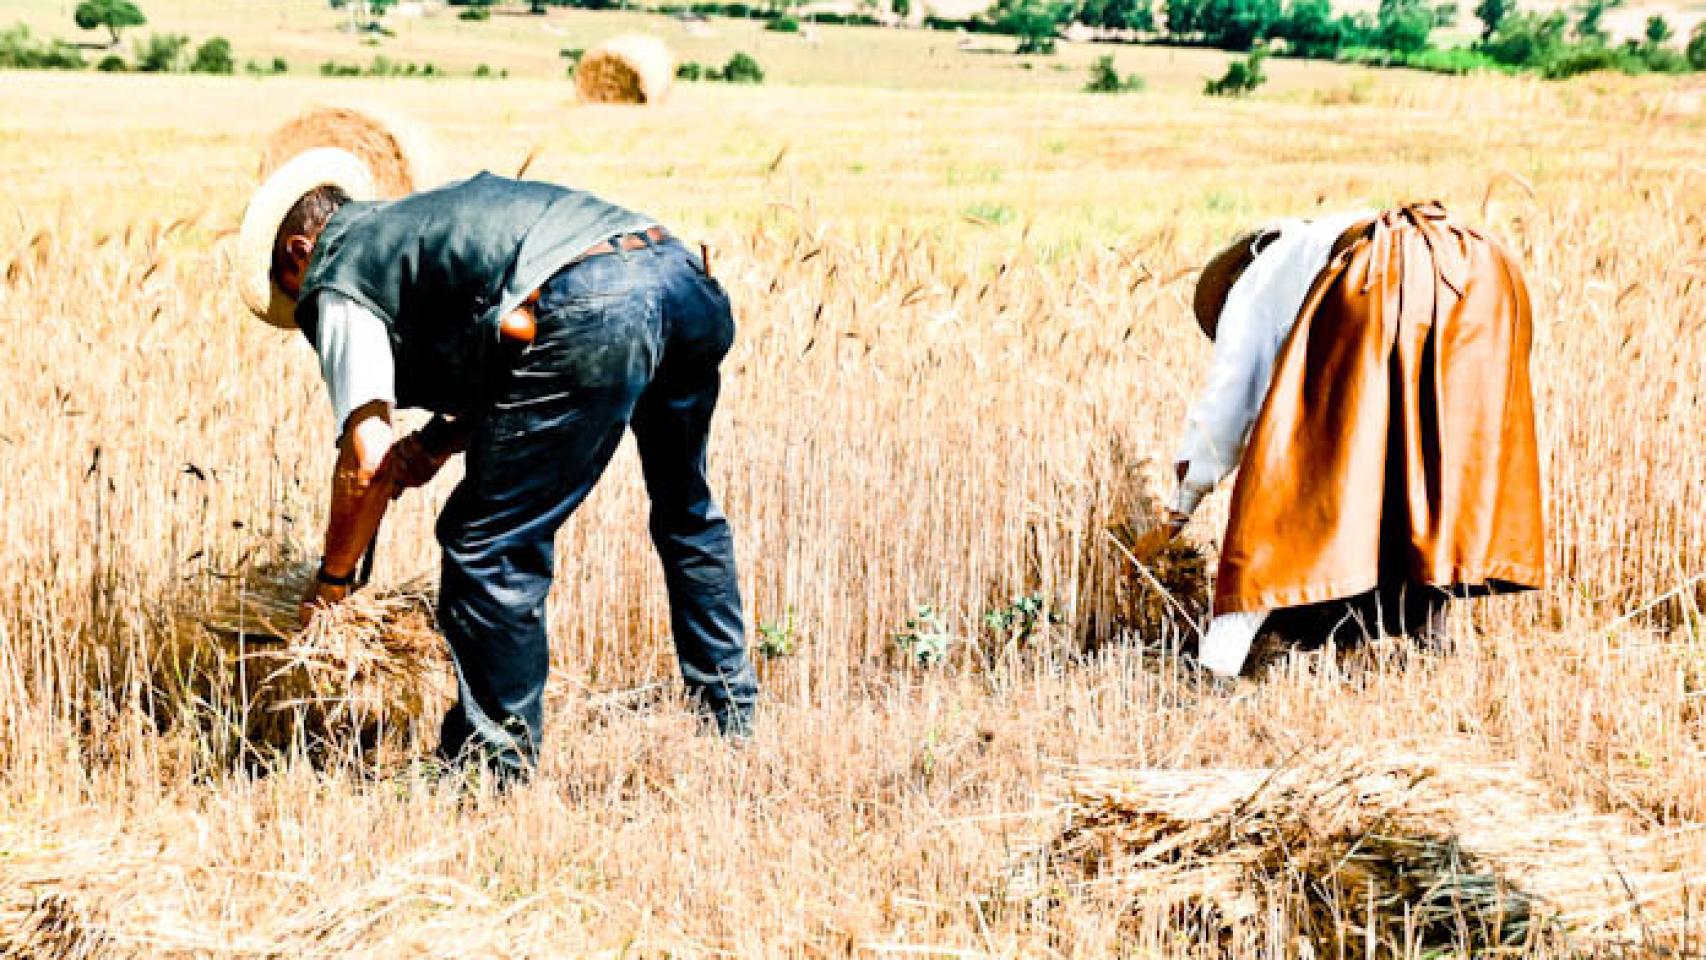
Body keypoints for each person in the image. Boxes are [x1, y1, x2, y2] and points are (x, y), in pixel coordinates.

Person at [236, 148, 759, 776]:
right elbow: (518, 344)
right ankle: (730, 716)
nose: (303, 314)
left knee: (485, 543)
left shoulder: (340, 269)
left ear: (299, 251)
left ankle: (493, 767)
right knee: (686, 511)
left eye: (290, 294)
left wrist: (333, 586)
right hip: (682, 278)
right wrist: (434, 443)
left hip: (595, 305)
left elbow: (366, 455)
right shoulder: (416, 230)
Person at [1167, 201, 1547, 675]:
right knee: (1439, 462)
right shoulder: (1318, 244)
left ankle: (1220, 658)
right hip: (1485, 276)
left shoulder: (1254, 283)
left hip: (1377, 278)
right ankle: (1433, 639)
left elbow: (1226, 413)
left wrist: (1182, 501)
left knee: (1286, 481)